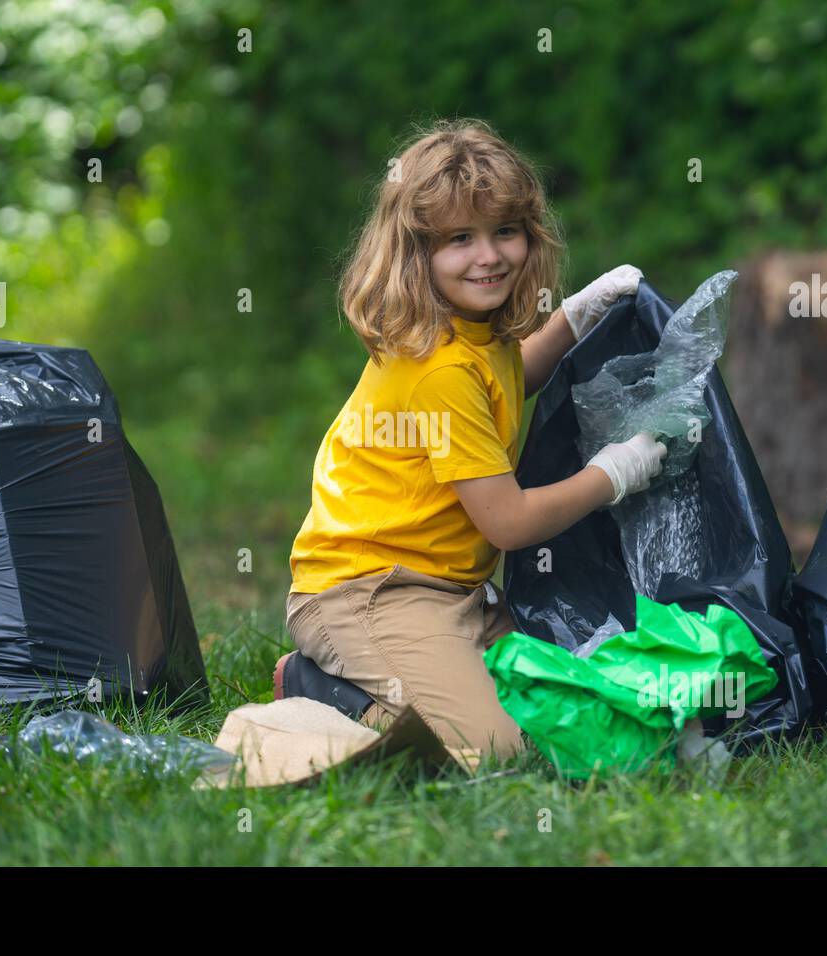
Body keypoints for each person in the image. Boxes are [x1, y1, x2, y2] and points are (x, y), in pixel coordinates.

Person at [279, 118, 666, 768]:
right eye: (460, 239)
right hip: (367, 593)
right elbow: (509, 522)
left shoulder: (476, 330)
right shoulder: (441, 367)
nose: (488, 256)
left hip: (454, 594)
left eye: (504, 232)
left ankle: (407, 682)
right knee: (497, 750)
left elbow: (513, 379)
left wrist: (575, 315)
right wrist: (612, 475)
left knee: (561, 698)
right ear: (415, 252)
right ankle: (322, 690)